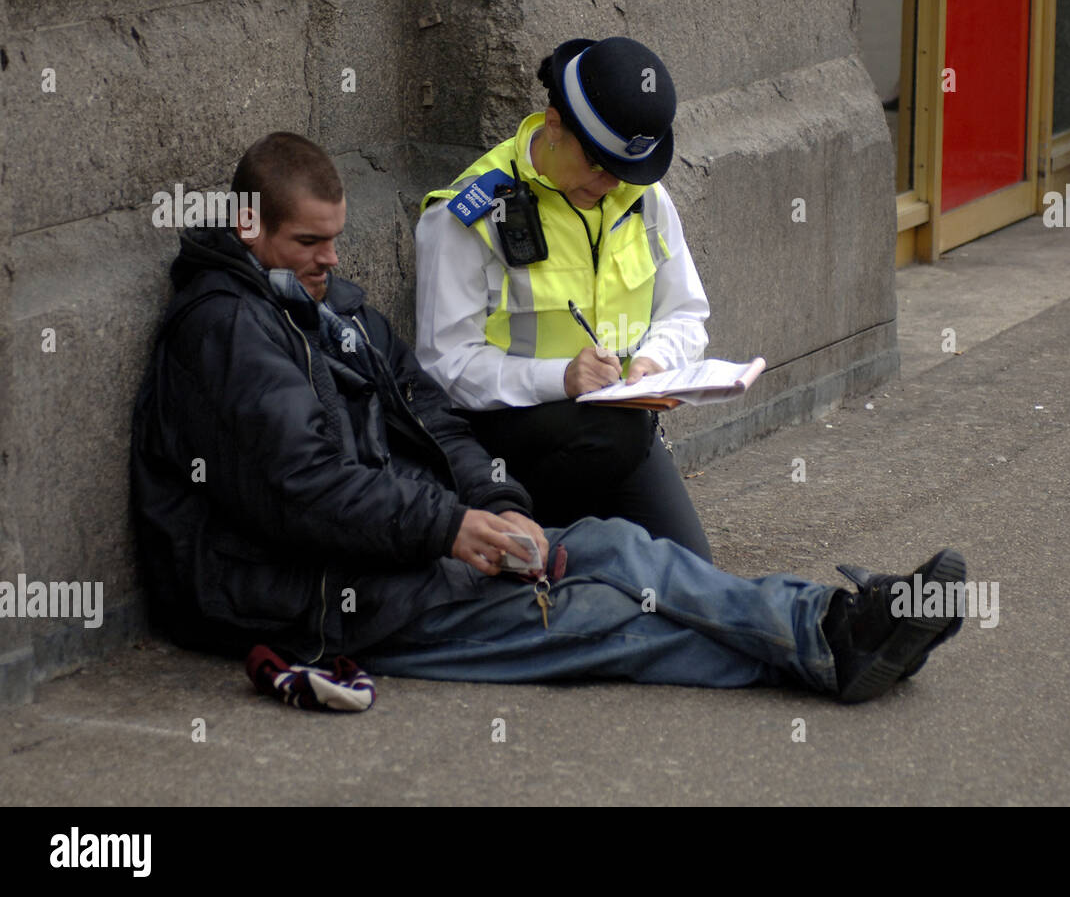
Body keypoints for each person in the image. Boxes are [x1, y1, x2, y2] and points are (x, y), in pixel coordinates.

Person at [130, 132, 965, 704]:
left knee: (617, 547)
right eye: (310, 243)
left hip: (395, 546)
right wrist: (448, 527)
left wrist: (495, 503)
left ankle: (834, 624)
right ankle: (836, 649)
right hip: (304, 596)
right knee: (599, 618)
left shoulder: (334, 307)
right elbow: (305, 488)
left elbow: (430, 415)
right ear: (250, 229)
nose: (332, 259)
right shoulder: (225, 331)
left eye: (336, 239)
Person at [414, 36, 713, 560]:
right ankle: (542, 538)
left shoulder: (642, 197)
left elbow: (686, 312)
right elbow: (444, 366)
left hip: (618, 430)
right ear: (553, 124)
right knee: (600, 552)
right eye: (597, 163)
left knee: (693, 575)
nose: (610, 183)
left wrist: (654, 360)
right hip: (509, 438)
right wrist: (562, 378)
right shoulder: (470, 213)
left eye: (624, 170)